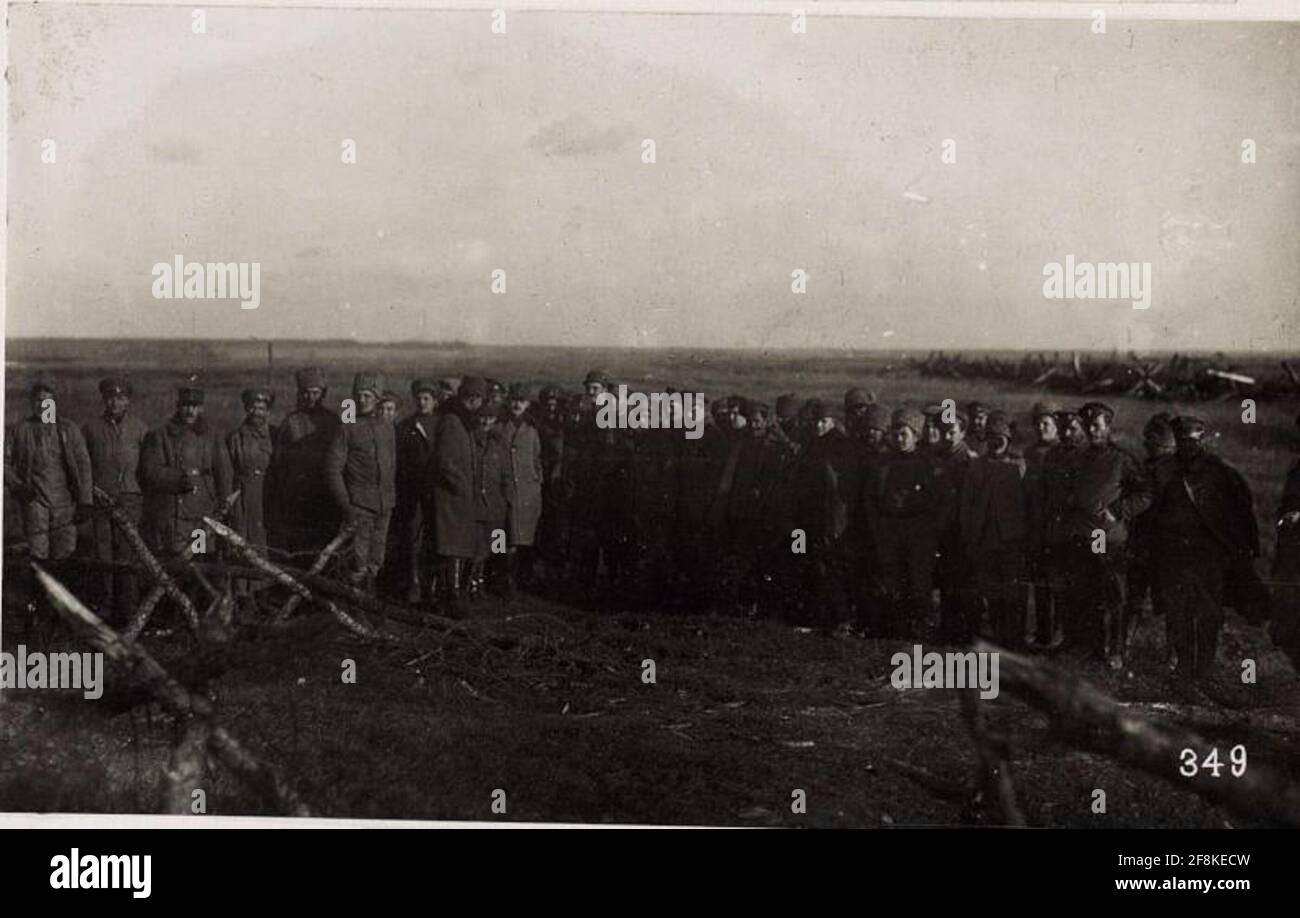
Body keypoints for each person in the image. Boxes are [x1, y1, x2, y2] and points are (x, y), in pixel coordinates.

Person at [1148, 416, 1258, 688]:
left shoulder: (1220, 472)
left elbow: (1243, 512)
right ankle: (1184, 669)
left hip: (1208, 555)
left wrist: (1243, 550)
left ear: (1202, 441)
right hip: (1173, 553)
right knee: (1177, 613)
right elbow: (1150, 510)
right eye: (1182, 440)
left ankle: (1203, 671)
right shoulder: (1163, 470)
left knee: (1207, 613)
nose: (1187, 446)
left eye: (1192, 440)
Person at [1048, 402, 1152, 668]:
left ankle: (1113, 650)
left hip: (1107, 537)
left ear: (1108, 428)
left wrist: (1118, 510)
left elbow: (1145, 494)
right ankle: (1081, 644)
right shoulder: (1076, 458)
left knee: (1111, 596)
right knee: (1080, 592)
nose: (1092, 431)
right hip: (1079, 536)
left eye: (1097, 426)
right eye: (1088, 426)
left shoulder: (1122, 459)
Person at [863, 407, 943, 638]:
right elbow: (872, 498)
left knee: (919, 579)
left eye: (904, 435)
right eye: (895, 435)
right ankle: (897, 625)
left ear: (916, 436)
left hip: (919, 531)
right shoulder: (882, 464)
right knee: (892, 577)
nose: (899, 440)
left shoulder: (927, 464)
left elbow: (937, 500)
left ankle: (923, 625)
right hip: (890, 529)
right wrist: (878, 525)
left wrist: (930, 529)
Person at [959, 411, 1029, 646]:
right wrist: (969, 534)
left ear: (1009, 440)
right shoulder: (976, 466)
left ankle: (1014, 637)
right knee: (990, 588)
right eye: (991, 437)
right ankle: (997, 632)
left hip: (1012, 537)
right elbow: (967, 503)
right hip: (984, 536)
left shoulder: (1018, 466)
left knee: (1012, 589)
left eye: (1001, 438)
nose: (996, 442)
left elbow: (1028, 502)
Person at [81, 377, 147, 621]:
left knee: (127, 553)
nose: (115, 402)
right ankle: (104, 607)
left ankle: (128, 610)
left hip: (131, 499)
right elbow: (82, 465)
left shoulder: (140, 429)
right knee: (103, 553)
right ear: (104, 399)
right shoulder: (90, 429)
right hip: (101, 499)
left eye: (120, 398)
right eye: (110, 397)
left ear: (128, 400)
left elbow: (147, 468)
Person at [5, 380, 93, 562]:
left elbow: (84, 466)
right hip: (35, 503)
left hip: (65, 503)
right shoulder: (20, 431)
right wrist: (18, 486)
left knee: (66, 554)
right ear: (32, 403)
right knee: (38, 553)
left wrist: (85, 501)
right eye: (38, 400)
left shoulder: (69, 430)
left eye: (48, 401)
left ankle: (60, 589)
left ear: (54, 404)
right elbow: (3, 463)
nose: (43, 405)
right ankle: (39, 589)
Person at [324, 372, 397, 591]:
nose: (362, 400)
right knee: (357, 560)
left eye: (368, 395)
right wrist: (346, 504)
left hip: (384, 506)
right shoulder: (347, 427)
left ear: (377, 399)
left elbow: (392, 465)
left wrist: (389, 498)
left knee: (376, 557)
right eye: (359, 395)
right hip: (359, 506)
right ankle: (353, 608)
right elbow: (332, 469)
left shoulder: (387, 428)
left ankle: (369, 602)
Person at [140, 386, 232, 558]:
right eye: (186, 405)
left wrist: (224, 505)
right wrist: (178, 479)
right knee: (173, 562)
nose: (190, 411)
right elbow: (150, 471)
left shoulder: (212, 437)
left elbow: (224, 473)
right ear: (178, 406)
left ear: (201, 408)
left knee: (200, 559)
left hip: (202, 514)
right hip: (173, 514)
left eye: (195, 406)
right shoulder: (160, 436)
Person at [268, 367, 341, 555]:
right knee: (299, 550)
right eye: (306, 393)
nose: (311, 398)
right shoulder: (291, 422)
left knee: (323, 548)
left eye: (316, 393)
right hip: (297, 499)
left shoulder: (333, 421)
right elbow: (279, 461)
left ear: (323, 393)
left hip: (325, 496)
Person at [431, 377, 488, 614]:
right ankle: (451, 598)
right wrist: (464, 487)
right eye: (476, 399)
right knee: (452, 547)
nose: (478, 404)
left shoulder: (463, 421)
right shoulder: (453, 421)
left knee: (458, 545)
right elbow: (445, 461)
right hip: (452, 497)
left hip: (459, 496)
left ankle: (454, 596)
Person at [226, 387, 276, 605]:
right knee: (243, 540)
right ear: (247, 409)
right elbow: (229, 470)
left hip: (268, 494)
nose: (257, 412)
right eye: (253, 407)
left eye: (262, 407)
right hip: (245, 494)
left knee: (264, 542)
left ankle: (264, 591)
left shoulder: (275, 434)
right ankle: (244, 596)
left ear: (268, 410)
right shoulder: (236, 437)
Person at [393, 378, 440, 604]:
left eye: (427, 399)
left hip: (437, 492)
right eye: (419, 399)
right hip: (412, 492)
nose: (422, 403)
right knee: (413, 537)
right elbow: (398, 462)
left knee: (435, 538)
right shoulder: (405, 427)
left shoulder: (442, 425)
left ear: (435, 401)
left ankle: (433, 584)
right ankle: (414, 582)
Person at [499, 383, 544, 596]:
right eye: (514, 400)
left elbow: (536, 459)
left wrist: (536, 483)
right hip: (504, 491)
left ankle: (519, 579)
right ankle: (501, 576)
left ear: (527, 404)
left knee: (523, 538)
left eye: (522, 401)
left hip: (527, 493)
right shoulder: (499, 427)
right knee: (501, 537)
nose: (517, 404)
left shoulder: (532, 430)